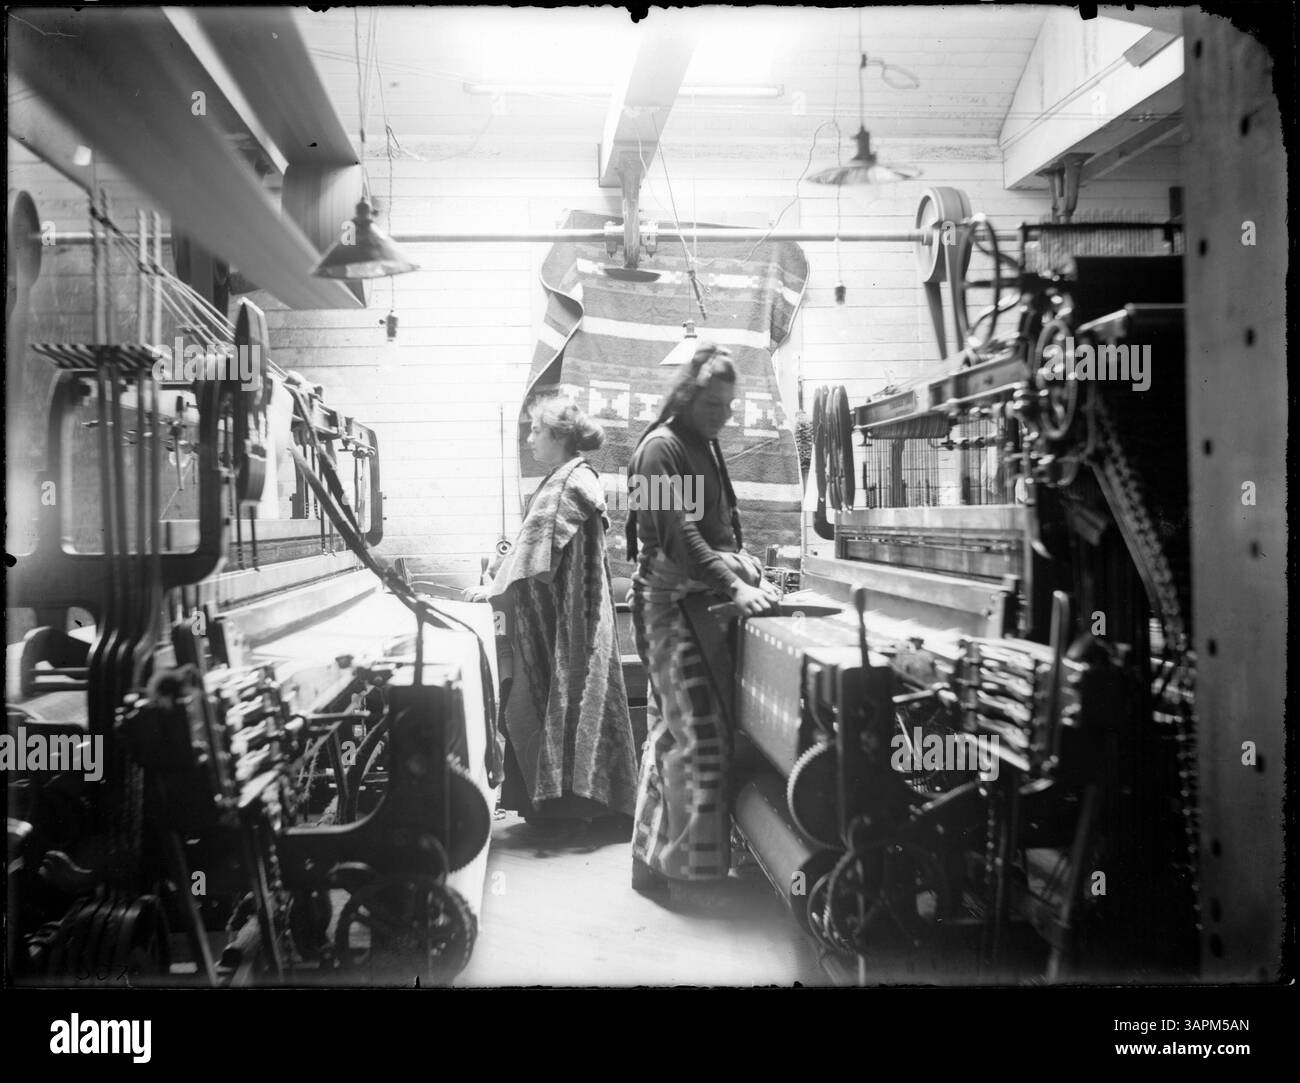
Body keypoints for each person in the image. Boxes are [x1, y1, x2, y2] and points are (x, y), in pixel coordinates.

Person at [624, 343, 781, 900]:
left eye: (729, 405)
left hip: (697, 605)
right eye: (714, 404)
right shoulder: (658, 451)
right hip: (669, 607)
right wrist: (735, 581)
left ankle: (657, 861)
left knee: (679, 732)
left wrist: (742, 567)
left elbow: (714, 529)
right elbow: (677, 535)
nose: (725, 415)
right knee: (697, 737)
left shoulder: (700, 444)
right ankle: (669, 866)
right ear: (687, 395)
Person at [463, 395, 639, 834]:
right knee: (561, 707)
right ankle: (570, 808)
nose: (529, 437)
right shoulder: (565, 479)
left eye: (536, 430)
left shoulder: (568, 484)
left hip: (569, 625)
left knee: (569, 706)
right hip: (562, 620)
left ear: (558, 436)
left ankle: (578, 811)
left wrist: (493, 588)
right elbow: (530, 548)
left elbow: (532, 558)